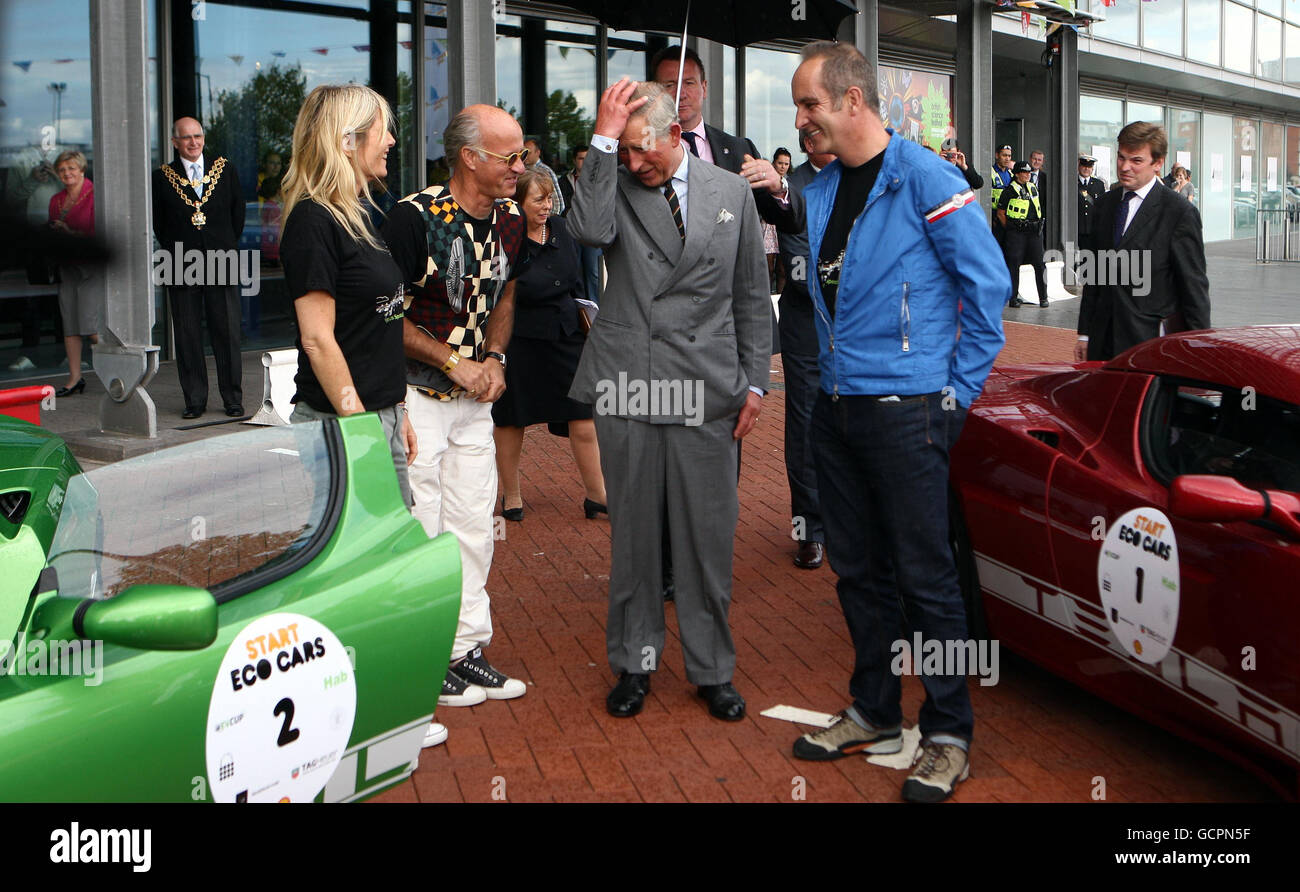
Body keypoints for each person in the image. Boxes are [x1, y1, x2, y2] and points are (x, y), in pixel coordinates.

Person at [787, 42, 1007, 803]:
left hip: (909, 409)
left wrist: (951, 399)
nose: (800, 119)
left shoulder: (926, 176)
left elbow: (989, 291)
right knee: (856, 571)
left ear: (853, 100)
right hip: (837, 406)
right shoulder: (816, 189)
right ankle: (877, 711)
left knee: (926, 578)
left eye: (810, 104)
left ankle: (948, 734)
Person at [568, 78, 770, 724]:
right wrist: (602, 139)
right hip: (632, 380)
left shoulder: (732, 192)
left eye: (641, 150)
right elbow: (588, 230)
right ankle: (636, 662)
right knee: (634, 538)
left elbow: (749, 297)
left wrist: (756, 382)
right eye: (622, 151)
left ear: (676, 136)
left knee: (706, 538)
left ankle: (713, 670)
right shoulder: (614, 182)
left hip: (706, 388)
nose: (634, 163)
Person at [278, 84, 425, 742]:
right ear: (347, 139)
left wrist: (398, 409)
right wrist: (362, 422)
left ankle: (374, 706)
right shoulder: (312, 220)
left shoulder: (363, 210)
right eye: (381, 131)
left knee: (382, 565)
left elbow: (381, 328)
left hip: (378, 415)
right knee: (356, 573)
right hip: (342, 429)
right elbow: (317, 339)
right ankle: (353, 717)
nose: (391, 141)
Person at [382, 104, 530, 722]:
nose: (521, 168)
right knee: (426, 529)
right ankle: (424, 656)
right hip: (419, 398)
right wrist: (452, 362)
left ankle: (466, 646)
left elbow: (506, 291)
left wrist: (494, 356)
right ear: (471, 158)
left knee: (473, 523)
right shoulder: (412, 219)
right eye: (511, 157)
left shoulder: (513, 219)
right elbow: (387, 314)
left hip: (477, 401)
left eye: (524, 155)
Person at [492, 168, 607, 521]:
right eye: (538, 199)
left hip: (564, 334)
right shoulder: (503, 236)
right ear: (518, 202)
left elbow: (572, 275)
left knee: (583, 416)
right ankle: (510, 495)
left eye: (550, 198)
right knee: (512, 419)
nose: (547, 206)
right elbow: (505, 289)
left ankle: (597, 495)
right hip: (520, 339)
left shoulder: (561, 229)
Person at [1075, 122, 1210, 362]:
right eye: (1121, 158)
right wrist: (1084, 334)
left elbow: (1193, 288)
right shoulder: (1105, 206)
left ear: (1157, 164)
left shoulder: (1179, 213)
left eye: (1136, 161)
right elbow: (1094, 276)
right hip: (1102, 340)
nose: (1125, 167)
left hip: (1150, 345)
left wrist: (1196, 351)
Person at [152, 116, 245, 419]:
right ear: (174, 141)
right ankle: (195, 400)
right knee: (188, 333)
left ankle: (232, 398)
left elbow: (237, 216)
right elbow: (159, 223)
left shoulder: (225, 170)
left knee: (227, 331)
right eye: (186, 137)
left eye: (198, 136)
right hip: (180, 263)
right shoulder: (162, 177)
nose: (193, 142)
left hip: (221, 260)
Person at [777, 132, 836, 571]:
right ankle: (809, 530)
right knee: (805, 425)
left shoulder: (859, 181)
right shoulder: (793, 189)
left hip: (856, 330)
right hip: (806, 329)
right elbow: (801, 270)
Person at [47, 150, 99, 397]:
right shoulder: (56, 200)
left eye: (71, 169)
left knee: (91, 325)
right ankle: (75, 377)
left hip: (90, 268)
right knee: (70, 325)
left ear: (81, 170)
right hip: (67, 267)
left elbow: (97, 233)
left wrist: (69, 232)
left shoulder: (96, 195)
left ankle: (119, 373)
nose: (67, 173)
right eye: (62, 170)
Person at [997, 160, 1049, 308]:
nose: (1027, 175)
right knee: (1014, 264)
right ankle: (1013, 297)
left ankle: (1043, 297)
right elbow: (1001, 213)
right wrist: (1012, 228)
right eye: (1024, 172)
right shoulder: (1009, 190)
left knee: (1040, 264)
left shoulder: (1033, 188)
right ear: (1017, 174)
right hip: (1017, 233)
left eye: (1028, 172)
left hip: (1034, 231)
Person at [558, 144, 602, 304]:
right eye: (581, 158)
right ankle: (578, 306)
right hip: (571, 231)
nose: (584, 162)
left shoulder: (598, 180)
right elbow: (561, 206)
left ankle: (594, 308)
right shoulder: (564, 181)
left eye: (587, 158)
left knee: (594, 272)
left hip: (591, 231)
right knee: (573, 270)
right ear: (574, 160)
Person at [522, 136, 564, 217]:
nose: (525, 155)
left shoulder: (546, 171)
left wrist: (547, 221)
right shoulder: (521, 170)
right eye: (523, 152)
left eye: (528, 152)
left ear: (538, 152)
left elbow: (559, 204)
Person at [1077, 154, 1106, 242]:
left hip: (1092, 230)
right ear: (1079, 166)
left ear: (1092, 168)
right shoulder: (1072, 182)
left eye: (1089, 167)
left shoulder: (1099, 184)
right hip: (1076, 229)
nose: (1086, 169)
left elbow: (1102, 206)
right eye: (1084, 166)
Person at [989, 144, 1014, 247]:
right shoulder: (990, 172)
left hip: (1008, 215)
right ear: (997, 155)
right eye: (1004, 155)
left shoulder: (1012, 174)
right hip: (994, 216)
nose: (1007, 158)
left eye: (1009, 156)